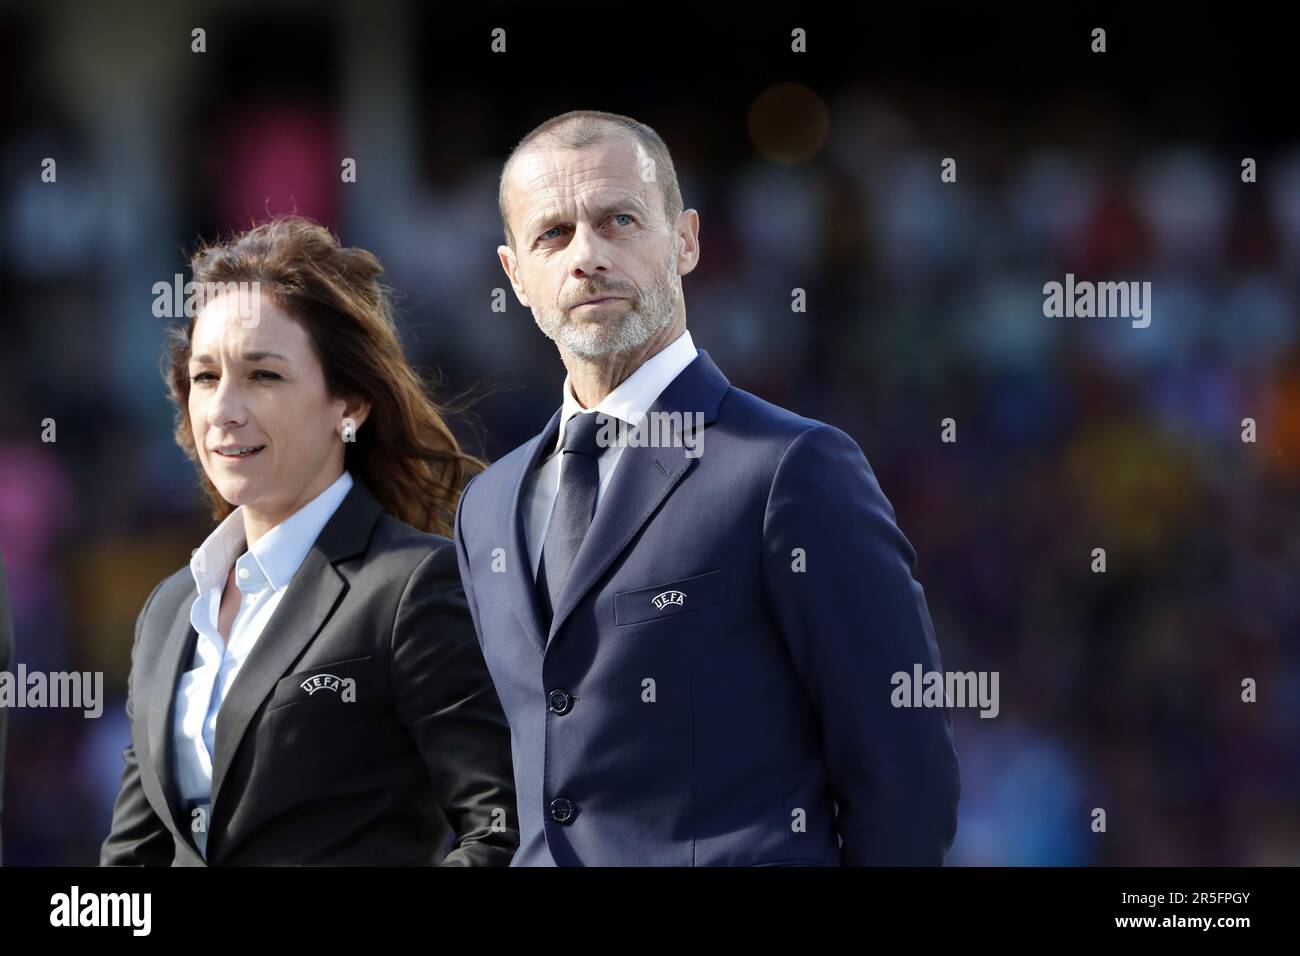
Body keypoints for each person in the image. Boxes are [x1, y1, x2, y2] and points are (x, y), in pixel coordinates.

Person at [455, 110, 960, 865]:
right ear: (515, 274)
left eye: (619, 220)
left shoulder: (792, 469)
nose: (587, 255)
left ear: (686, 240)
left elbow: (906, 781)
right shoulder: (486, 506)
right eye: (552, 234)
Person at [102, 217, 518, 865]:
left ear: (347, 406)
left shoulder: (412, 586)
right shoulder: (167, 611)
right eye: (206, 377)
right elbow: (132, 860)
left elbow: (500, 834)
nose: (224, 409)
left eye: (263, 375)